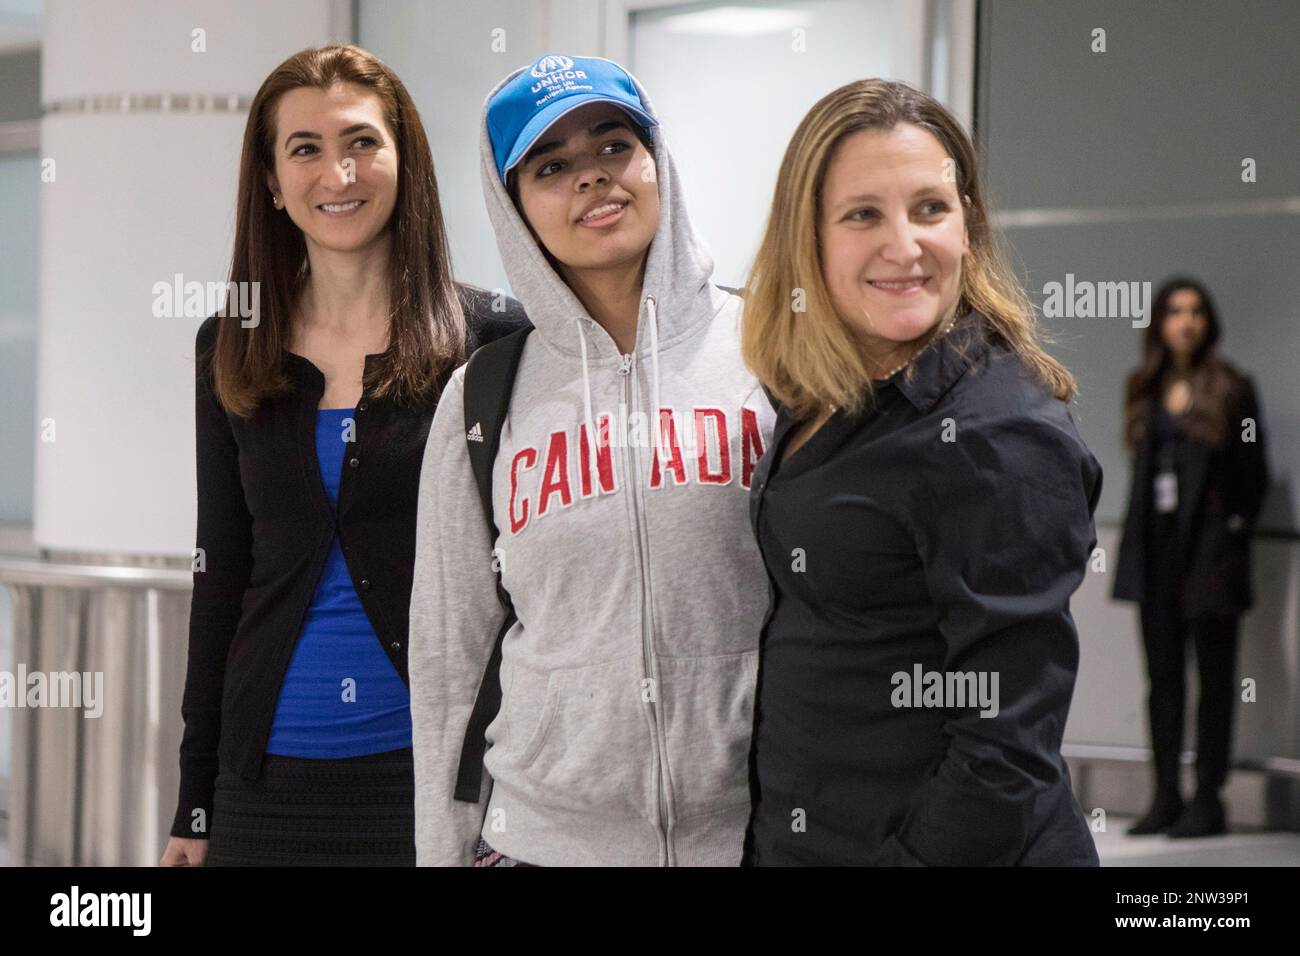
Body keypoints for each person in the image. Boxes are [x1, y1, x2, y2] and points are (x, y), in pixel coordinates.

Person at [159, 44, 526, 867]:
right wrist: (195, 796)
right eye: (307, 149)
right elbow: (220, 572)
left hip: (436, 781)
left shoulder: (493, 341)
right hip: (265, 784)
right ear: (271, 181)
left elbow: (522, 578)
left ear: (404, 159)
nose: (340, 173)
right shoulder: (229, 345)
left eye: (363, 142)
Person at [407, 54, 775, 866]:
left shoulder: (770, 353)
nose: (592, 178)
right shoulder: (483, 399)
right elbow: (448, 657)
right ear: (516, 208)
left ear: (656, 161)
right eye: (552, 165)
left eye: (614, 145)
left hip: (756, 835)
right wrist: (441, 852)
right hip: (543, 841)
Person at [739, 78, 1101, 865]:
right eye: (863, 214)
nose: (903, 245)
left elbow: (1005, 744)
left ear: (968, 224)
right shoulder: (825, 397)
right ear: (811, 237)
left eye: (930, 209)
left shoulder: (995, 433)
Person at [1113, 277, 1269, 838]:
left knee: (1215, 680)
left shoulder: (1231, 388)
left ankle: (1209, 797)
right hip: (1157, 554)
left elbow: (1254, 475)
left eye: (1196, 311)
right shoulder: (1145, 387)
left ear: (1209, 322)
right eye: (1175, 311)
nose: (1186, 322)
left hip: (1210, 557)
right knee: (1163, 681)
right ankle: (1164, 797)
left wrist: (1232, 533)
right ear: (1159, 323)